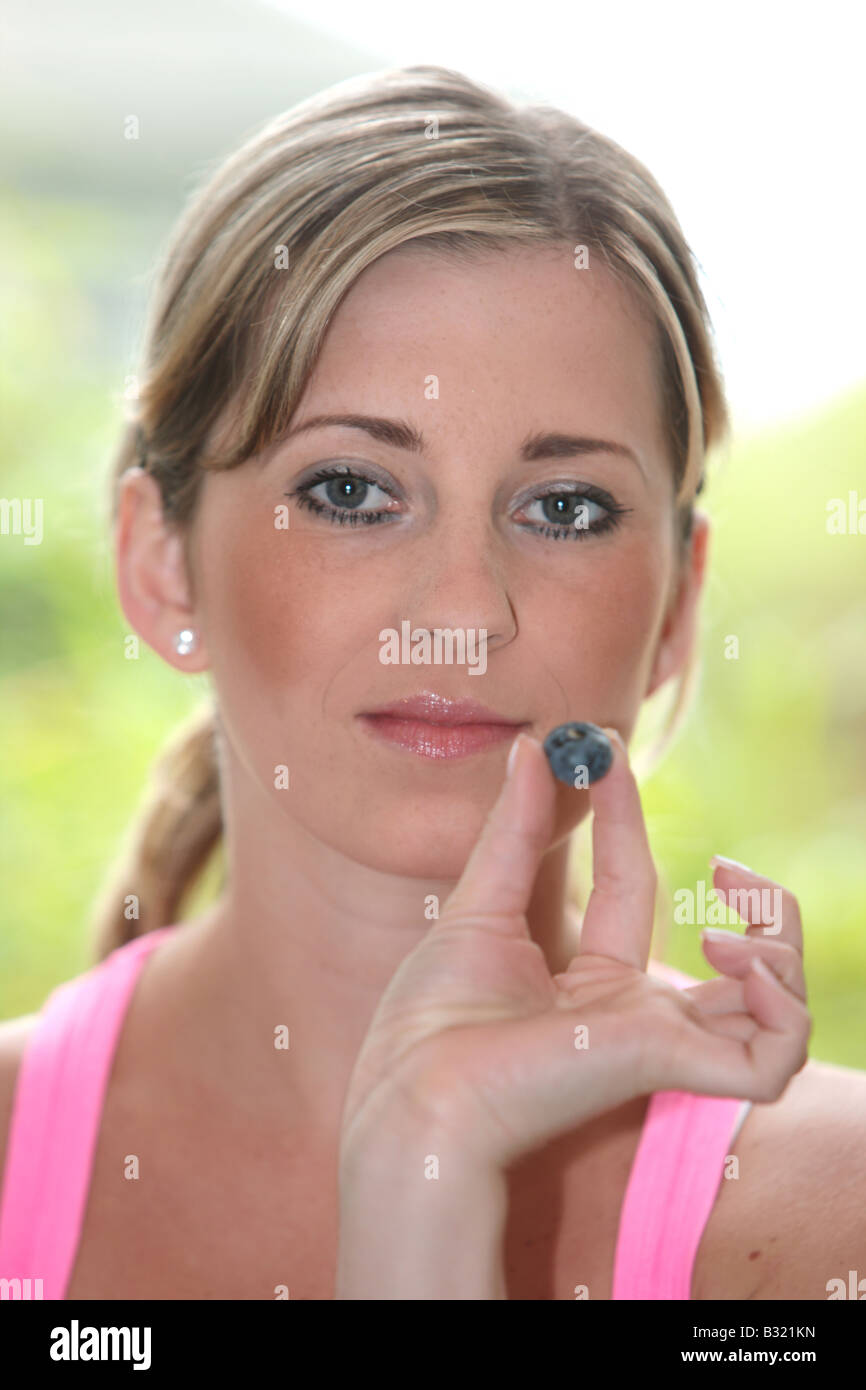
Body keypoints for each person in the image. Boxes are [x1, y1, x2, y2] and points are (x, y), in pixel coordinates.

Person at [0, 65, 862, 1302]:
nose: (463, 613)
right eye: (350, 491)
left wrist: (429, 1172)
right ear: (162, 566)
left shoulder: (837, 1232)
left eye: (563, 507)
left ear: (676, 602)